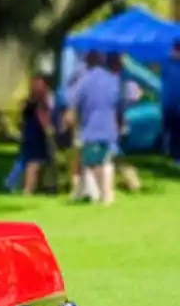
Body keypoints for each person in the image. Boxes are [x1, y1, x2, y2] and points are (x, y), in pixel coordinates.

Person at [67, 50, 120, 204]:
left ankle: (102, 195)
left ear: (87, 63)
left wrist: (69, 121)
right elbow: (120, 102)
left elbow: (72, 102)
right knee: (106, 161)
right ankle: (104, 195)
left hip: (91, 129)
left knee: (92, 163)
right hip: (109, 128)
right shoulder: (112, 80)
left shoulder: (84, 80)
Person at [105, 53, 142, 195]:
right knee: (114, 155)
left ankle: (130, 182)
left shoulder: (111, 82)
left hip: (108, 124)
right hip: (116, 124)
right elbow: (126, 104)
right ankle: (131, 182)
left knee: (112, 155)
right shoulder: (122, 82)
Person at [19, 76, 55, 196]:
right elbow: (43, 116)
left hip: (29, 133)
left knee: (31, 161)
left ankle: (30, 187)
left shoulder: (28, 101)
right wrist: (48, 128)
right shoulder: (42, 101)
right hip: (38, 132)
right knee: (35, 162)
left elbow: (23, 117)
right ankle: (30, 188)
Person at [164, 39, 180, 165]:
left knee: (177, 131)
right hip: (168, 104)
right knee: (169, 130)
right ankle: (172, 155)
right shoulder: (167, 63)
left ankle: (177, 157)